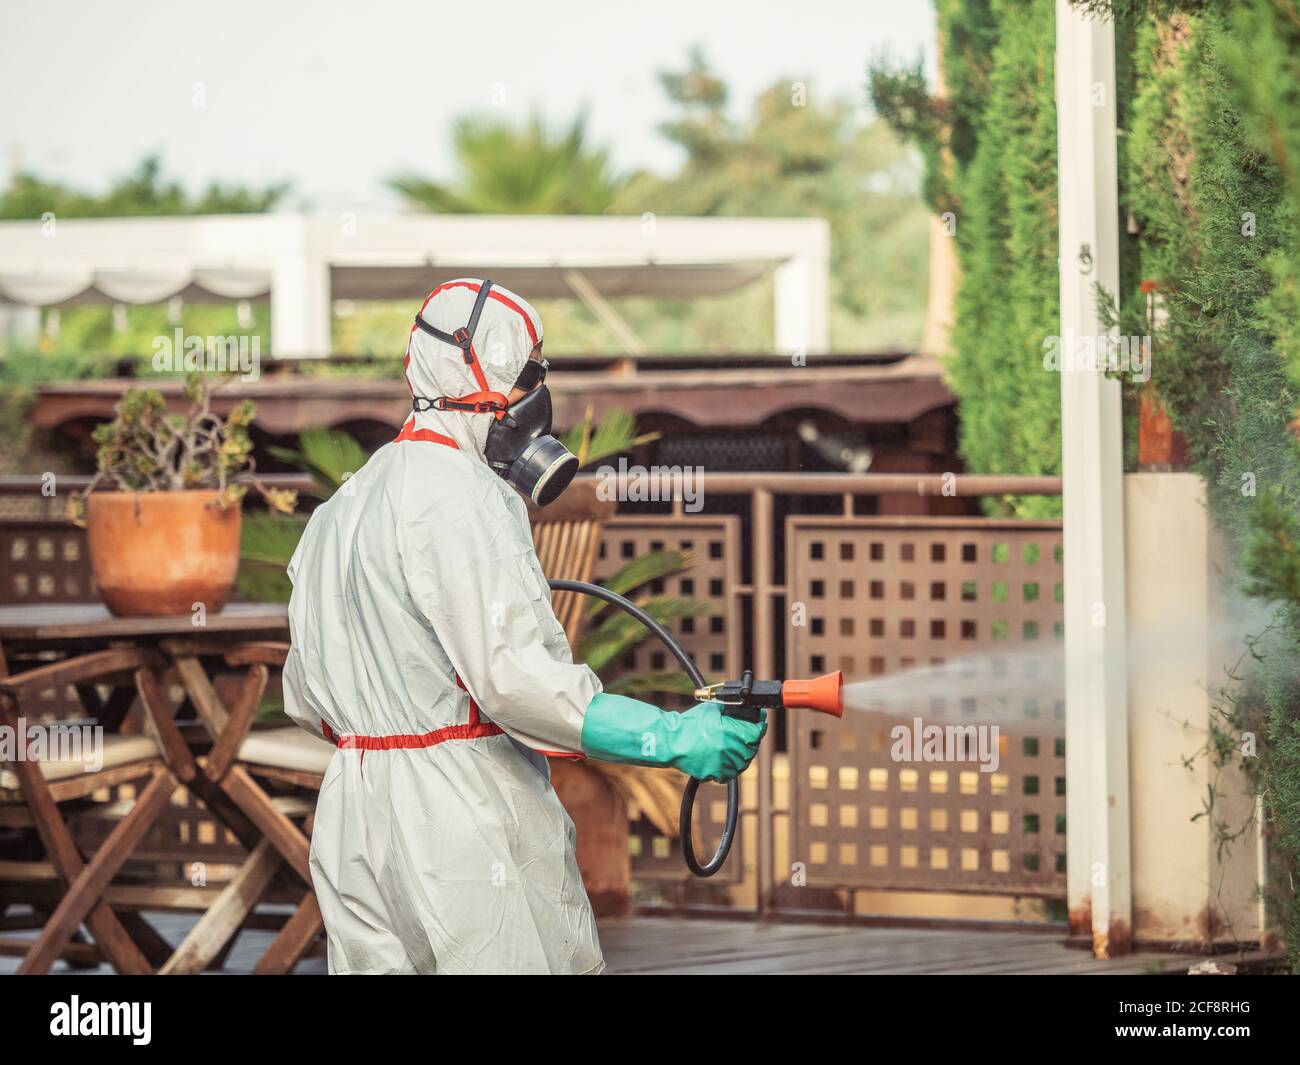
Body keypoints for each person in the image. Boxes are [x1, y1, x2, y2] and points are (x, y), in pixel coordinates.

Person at [282, 278, 766, 974]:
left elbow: (304, 697)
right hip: (460, 818)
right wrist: (672, 735)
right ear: (487, 374)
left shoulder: (340, 507)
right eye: (530, 372)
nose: (538, 393)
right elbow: (514, 683)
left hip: (351, 817)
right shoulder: (466, 493)